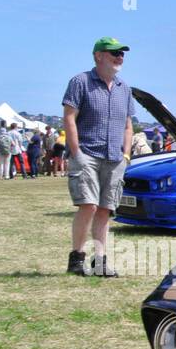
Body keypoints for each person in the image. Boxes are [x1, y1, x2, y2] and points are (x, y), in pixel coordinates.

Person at [61, 36, 136, 277]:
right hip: (88, 154)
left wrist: (126, 155)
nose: (119, 57)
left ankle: (100, 261)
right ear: (98, 55)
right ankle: (77, 258)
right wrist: (77, 153)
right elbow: (69, 118)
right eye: (114, 52)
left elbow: (128, 126)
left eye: (121, 53)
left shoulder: (125, 89)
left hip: (115, 158)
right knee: (89, 206)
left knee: (105, 209)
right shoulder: (80, 82)